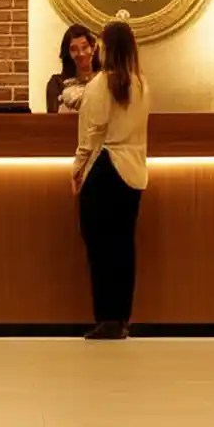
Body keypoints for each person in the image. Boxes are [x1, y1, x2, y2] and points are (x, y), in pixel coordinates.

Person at [70, 21, 149, 340]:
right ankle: (121, 318)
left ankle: (105, 318)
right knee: (123, 247)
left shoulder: (101, 84)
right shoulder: (142, 84)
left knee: (99, 247)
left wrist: (77, 167)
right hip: (133, 171)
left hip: (104, 168)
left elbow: (92, 133)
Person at [45, 24, 102, 113]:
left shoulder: (103, 80)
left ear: (93, 48)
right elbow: (54, 120)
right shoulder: (57, 84)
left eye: (85, 47)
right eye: (74, 49)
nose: (81, 53)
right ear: (67, 54)